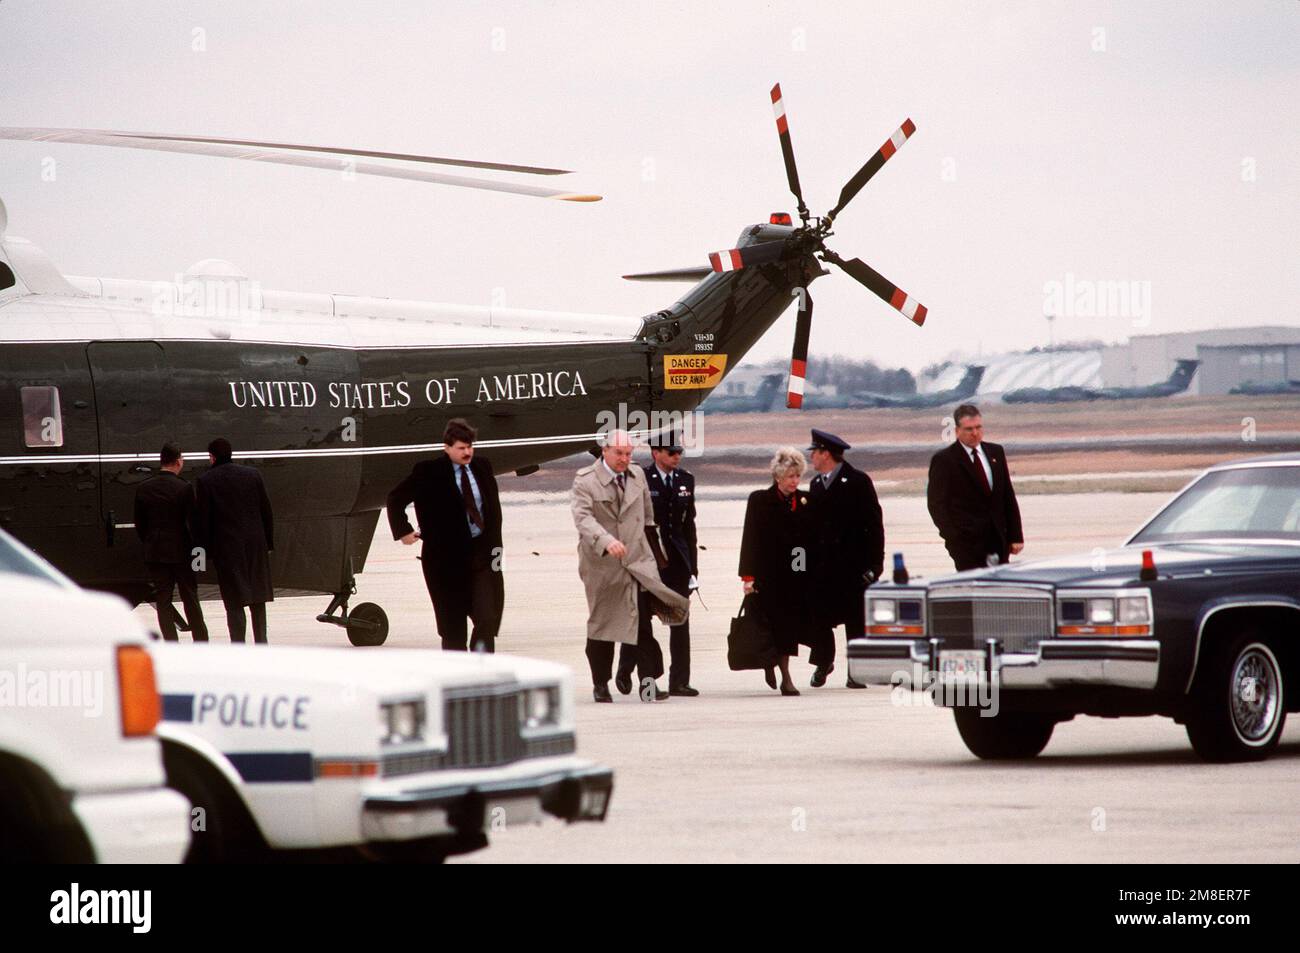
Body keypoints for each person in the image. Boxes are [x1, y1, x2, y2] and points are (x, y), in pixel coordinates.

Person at [572, 430, 689, 703]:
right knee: (603, 625)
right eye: (619, 454)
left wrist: (657, 558)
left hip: (637, 561)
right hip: (603, 564)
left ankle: (647, 684)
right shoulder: (586, 481)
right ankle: (601, 682)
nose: (625, 459)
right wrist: (606, 540)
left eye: (628, 454)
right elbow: (583, 518)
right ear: (605, 451)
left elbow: (648, 519)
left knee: (641, 624)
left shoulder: (637, 477)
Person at [387, 418, 504, 652]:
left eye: (470, 447)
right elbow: (395, 499)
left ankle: (481, 670)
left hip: (481, 556)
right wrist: (404, 531)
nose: (467, 452)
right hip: (445, 562)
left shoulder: (483, 467)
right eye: (461, 448)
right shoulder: (428, 471)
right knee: (453, 629)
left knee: (487, 617)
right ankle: (457, 678)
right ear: (447, 447)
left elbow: (492, 511)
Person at [738, 447, 821, 696]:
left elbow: (810, 541)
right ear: (778, 477)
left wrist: (808, 573)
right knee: (766, 626)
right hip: (767, 576)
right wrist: (748, 577)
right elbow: (750, 538)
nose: (794, 481)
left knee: (787, 628)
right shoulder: (759, 501)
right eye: (790, 477)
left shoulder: (806, 502)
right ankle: (769, 665)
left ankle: (786, 677)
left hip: (793, 577)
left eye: (797, 476)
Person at [806, 429, 885, 689]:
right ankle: (823, 661)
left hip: (853, 565)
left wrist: (875, 565)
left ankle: (856, 671)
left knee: (854, 620)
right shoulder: (816, 484)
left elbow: (874, 525)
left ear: (826, 454)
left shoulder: (858, 481)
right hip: (823, 566)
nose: (812, 458)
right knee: (819, 617)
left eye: (814, 453)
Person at [927, 403, 1024, 571]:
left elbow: (1007, 495)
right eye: (969, 429)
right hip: (966, 545)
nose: (975, 433)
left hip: (998, 540)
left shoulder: (996, 452)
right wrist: (954, 539)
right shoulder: (945, 460)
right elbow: (937, 505)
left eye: (978, 427)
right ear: (957, 431)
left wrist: (1016, 535)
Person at [195, 437, 274, 644]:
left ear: (211, 457)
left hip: (228, 549)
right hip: (256, 546)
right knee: (258, 598)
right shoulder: (253, 474)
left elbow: (204, 521)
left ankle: (238, 646)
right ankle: (262, 643)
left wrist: (205, 552)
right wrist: (269, 543)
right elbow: (266, 511)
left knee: (234, 601)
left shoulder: (206, 481)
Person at [134, 443, 208, 642]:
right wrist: (198, 552)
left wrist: (150, 542)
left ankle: (170, 641)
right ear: (177, 461)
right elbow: (193, 523)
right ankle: (201, 639)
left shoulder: (143, 488)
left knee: (163, 599)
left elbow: (140, 523)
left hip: (155, 552)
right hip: (181, 552)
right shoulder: (184, 488)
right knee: (189, 596)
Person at [643, 434, 700, 697]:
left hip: (677, 561)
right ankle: (636, 674)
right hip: (650, 559)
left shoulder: (686, 480)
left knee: (680, 620)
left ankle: (679, 681)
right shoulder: (641, 479)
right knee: (642, 619)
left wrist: (693, 568)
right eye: (671, 452)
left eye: (679, 452)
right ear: (656, 453)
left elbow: (689, 526)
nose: (677, 456)